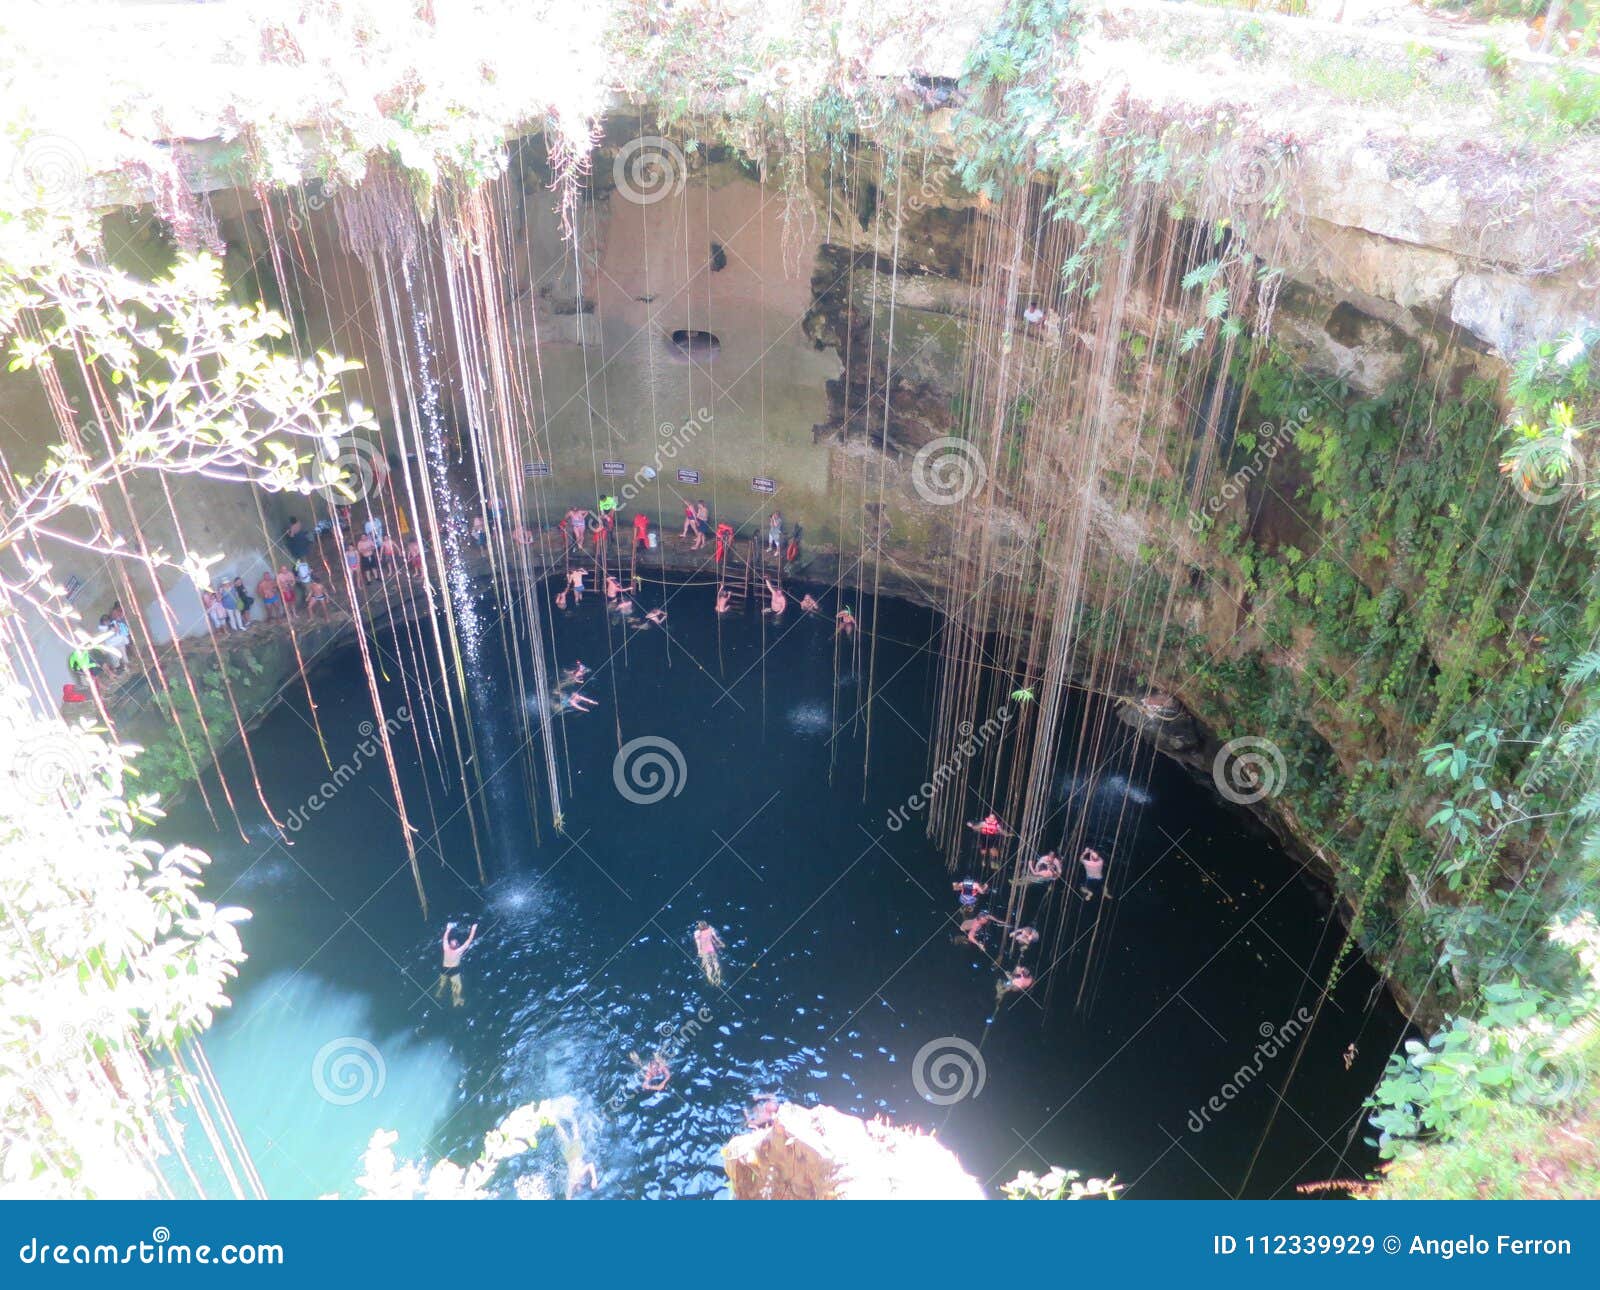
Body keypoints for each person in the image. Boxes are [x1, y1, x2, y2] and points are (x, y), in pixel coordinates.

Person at [434, 921, 478, 1007]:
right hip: (453, 971)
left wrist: (448, 929)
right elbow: (469, 940)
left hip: (444, 969)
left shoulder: (446, 948)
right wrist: (473, 929)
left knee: (442, 983)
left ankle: (438, 993)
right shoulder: (459, 951)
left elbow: (445, 939)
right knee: (458, 986)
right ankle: (455, 1000)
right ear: (457, 945)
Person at [693, 920, 725, 986]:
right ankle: (718, 978)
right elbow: (716, 938)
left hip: (705, 951)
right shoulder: (710, 930)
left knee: (709, 966)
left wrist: (699, 952)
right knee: (716, 964)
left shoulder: (697, 933)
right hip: (711, 950)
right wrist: (721, 943)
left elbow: (698, 944)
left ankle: (711, 979)